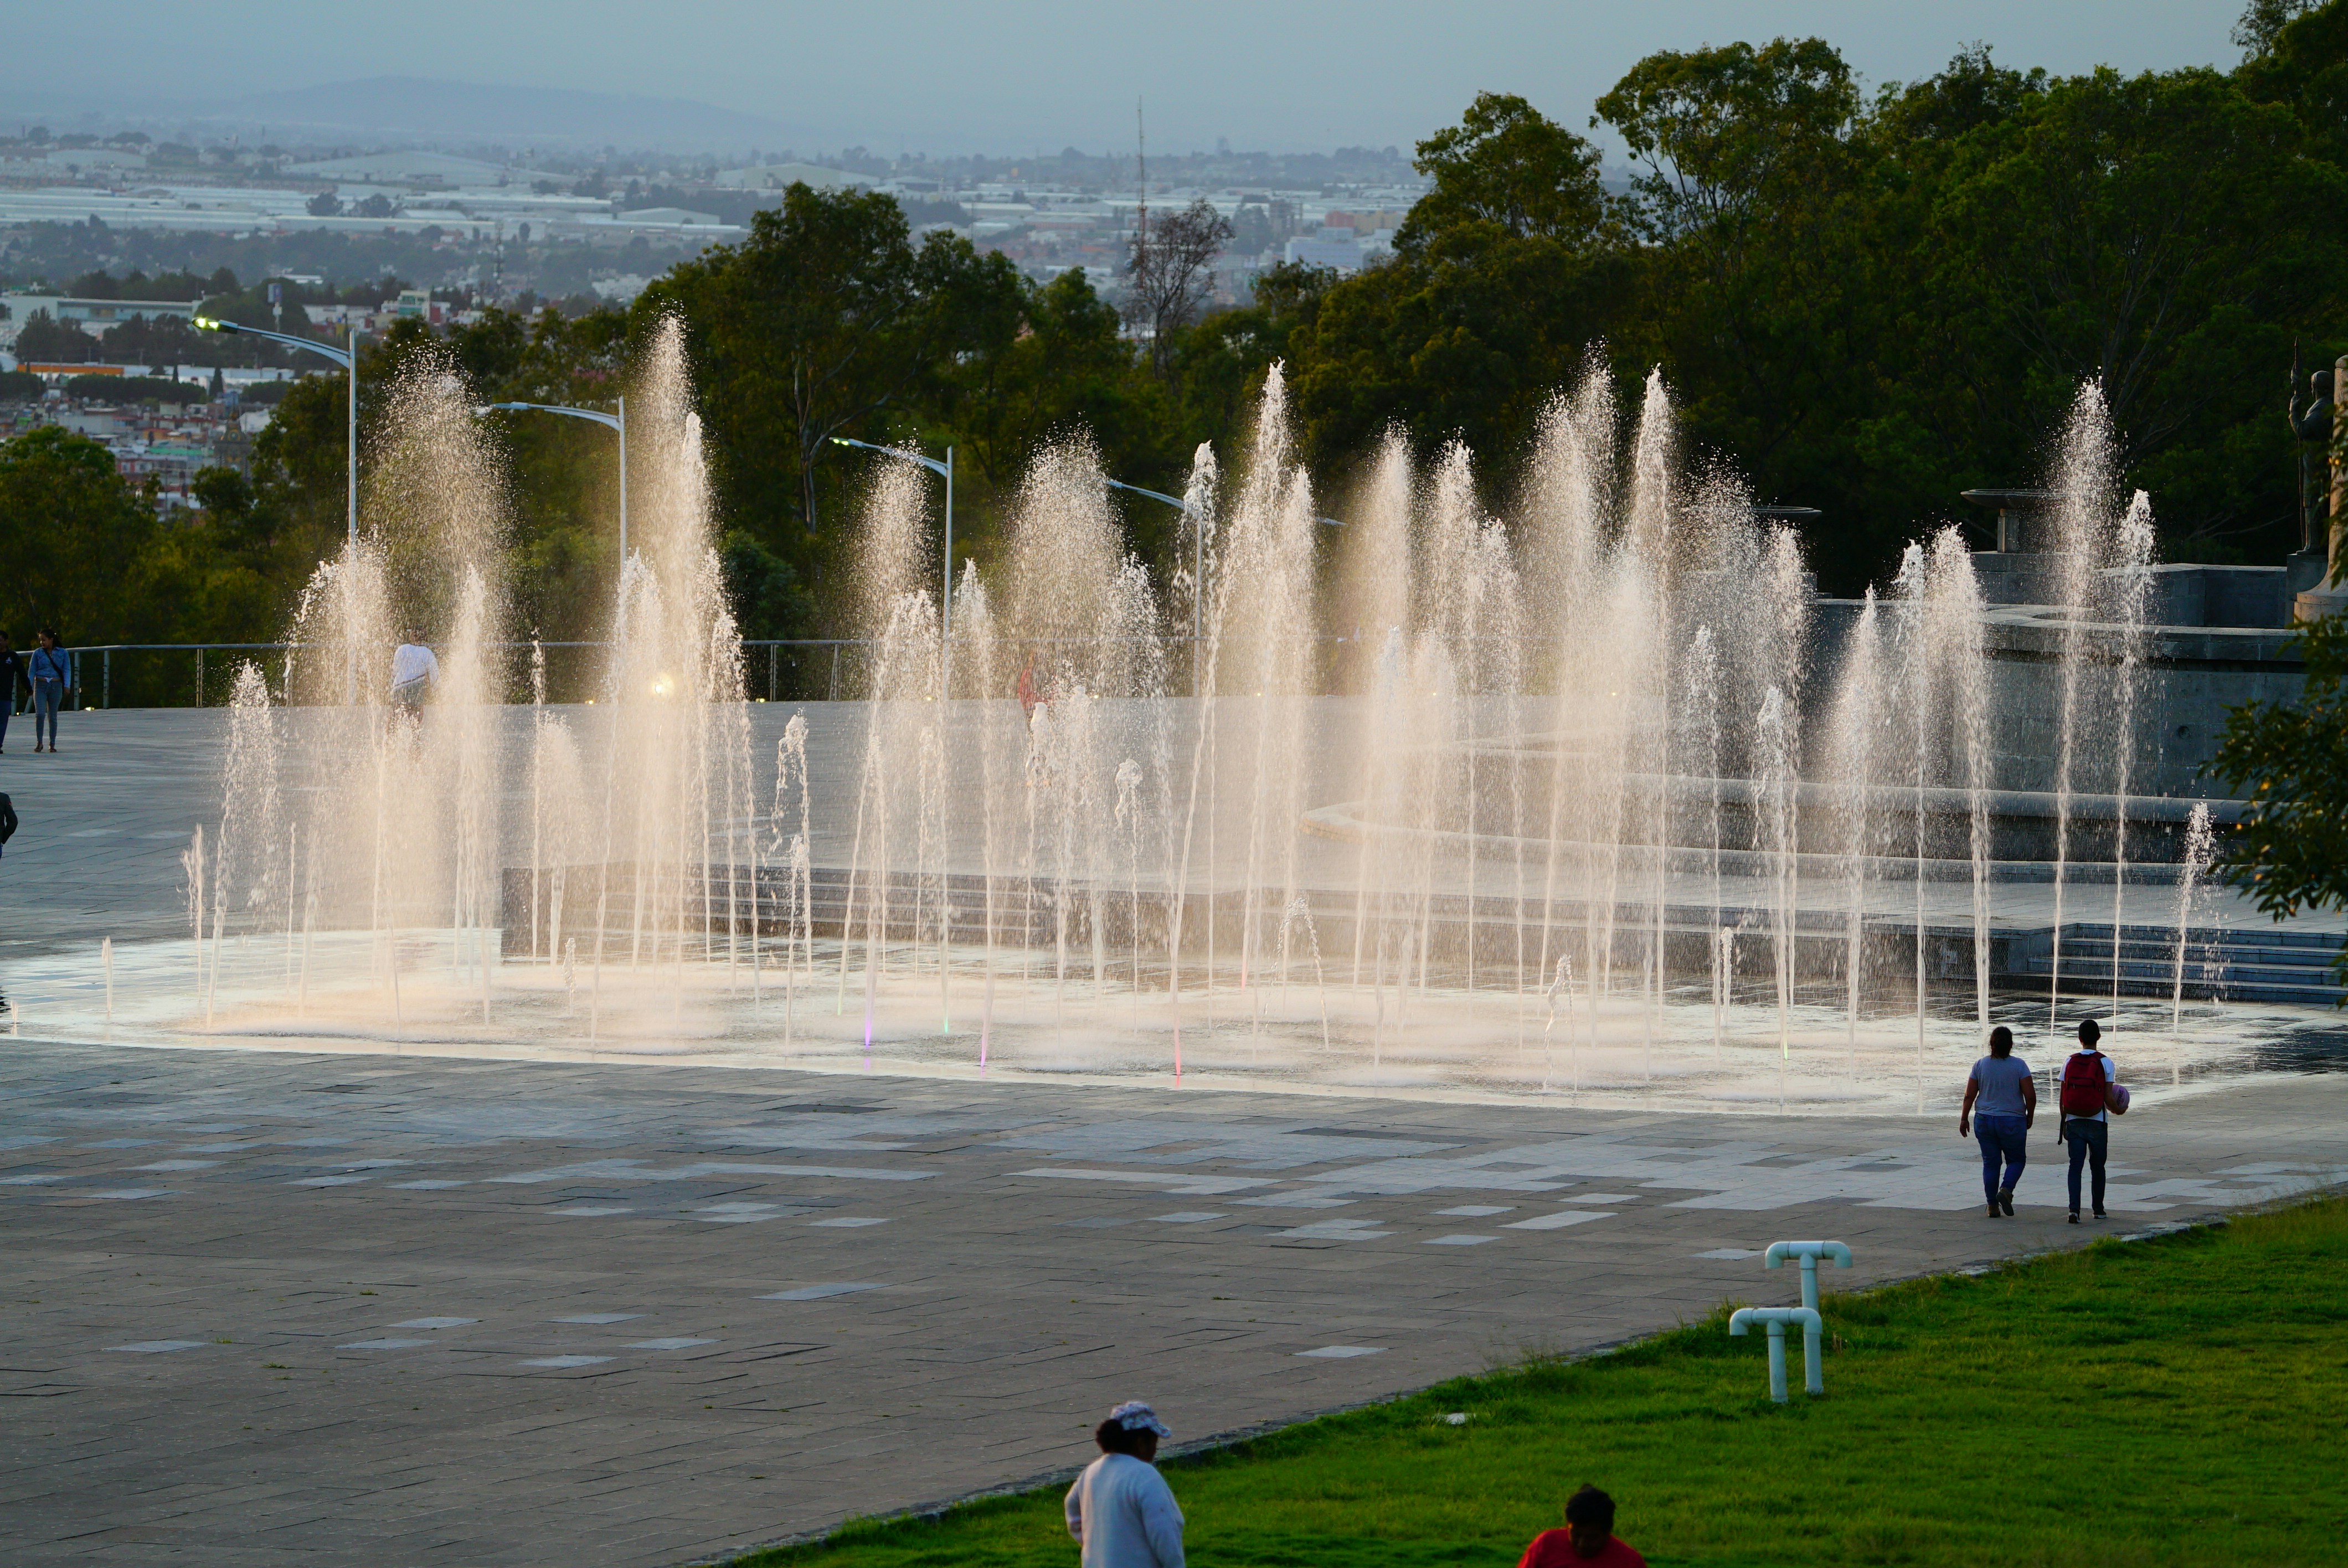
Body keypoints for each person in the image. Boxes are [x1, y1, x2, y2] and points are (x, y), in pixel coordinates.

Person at [1065, 1400, 1185, 1568]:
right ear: (1141, 1443)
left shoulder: (1092, 1472)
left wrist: (1096, 1544)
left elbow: (1071, 1506)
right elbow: (1164, 1533)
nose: (1155, 1450)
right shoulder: (1145, 1476)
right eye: (1154, 1443)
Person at [1959, 1024, 2036, 1218]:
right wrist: (2030, 1115)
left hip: (1984, 1120)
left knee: (1991, 1164)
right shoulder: (2019, 1065)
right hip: (2012, 1121)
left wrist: (1964, 1118)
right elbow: (2031, 1096)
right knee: (2017, 1160)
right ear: (2011, 1045)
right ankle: (2006, 1190)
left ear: (1991, 1044)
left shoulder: (1980, 1065)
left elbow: (1969, 1095)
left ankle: (1992, 1206)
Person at [2058, 1017, 2122, 1224]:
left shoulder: (2069, 1061)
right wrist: (2118, 1110)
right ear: (2099, 1038)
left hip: (2074, 1120)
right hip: (2097, 1121)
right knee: (2098, 1166)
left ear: (2080, 1039)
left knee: (2075, 1166)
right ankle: (2098, 1209)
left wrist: (2065, 1120)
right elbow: (2108, 1097)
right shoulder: (2105, 1062)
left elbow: (2062, 1096)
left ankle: (2074, 1210)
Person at [1518, 1484, 1646, 1567]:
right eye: (1576, 1535)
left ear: (1608, 1531)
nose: (1582, 1544)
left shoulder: (1629, 1563)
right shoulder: (1546, 1545)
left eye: (1591, 1538)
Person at [27, 630, 70, 754]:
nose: (42, 643)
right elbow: (32, 671)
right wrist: (29, 687)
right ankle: (39, 742)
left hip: (56, 685)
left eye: (44, 640)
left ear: (51, 639)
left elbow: (67, 669)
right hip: (40, 685)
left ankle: (52, 743)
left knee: (53, 716)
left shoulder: (62, 653)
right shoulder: (38, 653)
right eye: (41, 640)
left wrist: (67, 685)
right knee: (40, 714)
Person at [390, 627, 439, 711]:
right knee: (416, 715)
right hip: (416, 688)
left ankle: (393, 723)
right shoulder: (427, 653)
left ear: (412, 636)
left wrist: (392, 683)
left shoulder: (402, 649)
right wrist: (435, 690)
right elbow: (434, 675)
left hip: (398, 687)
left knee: (394, 716)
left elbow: (395, 670)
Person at [0, 633, 25, 754]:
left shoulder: (12, 656)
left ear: (6, 641)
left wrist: (28, 688)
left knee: (2, 721)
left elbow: (22, 672)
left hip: (5, 694)